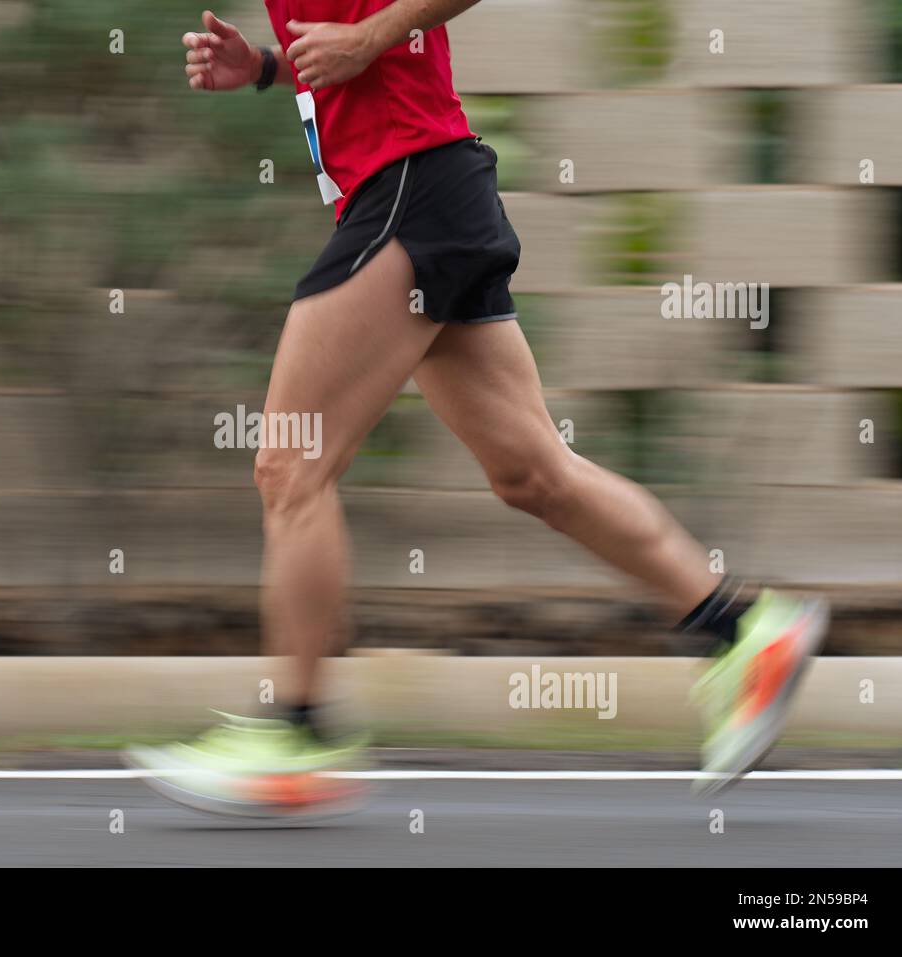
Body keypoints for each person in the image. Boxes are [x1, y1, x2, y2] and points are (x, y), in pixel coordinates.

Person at [127, 2, 828, 815]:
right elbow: (351, 54)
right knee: (533, 473)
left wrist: (368, 38)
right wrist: (269, 68)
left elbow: (371, 42)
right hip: (431, 191)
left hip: (409, 189)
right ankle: (744, 631)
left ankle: (298, 732)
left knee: (291, 462)